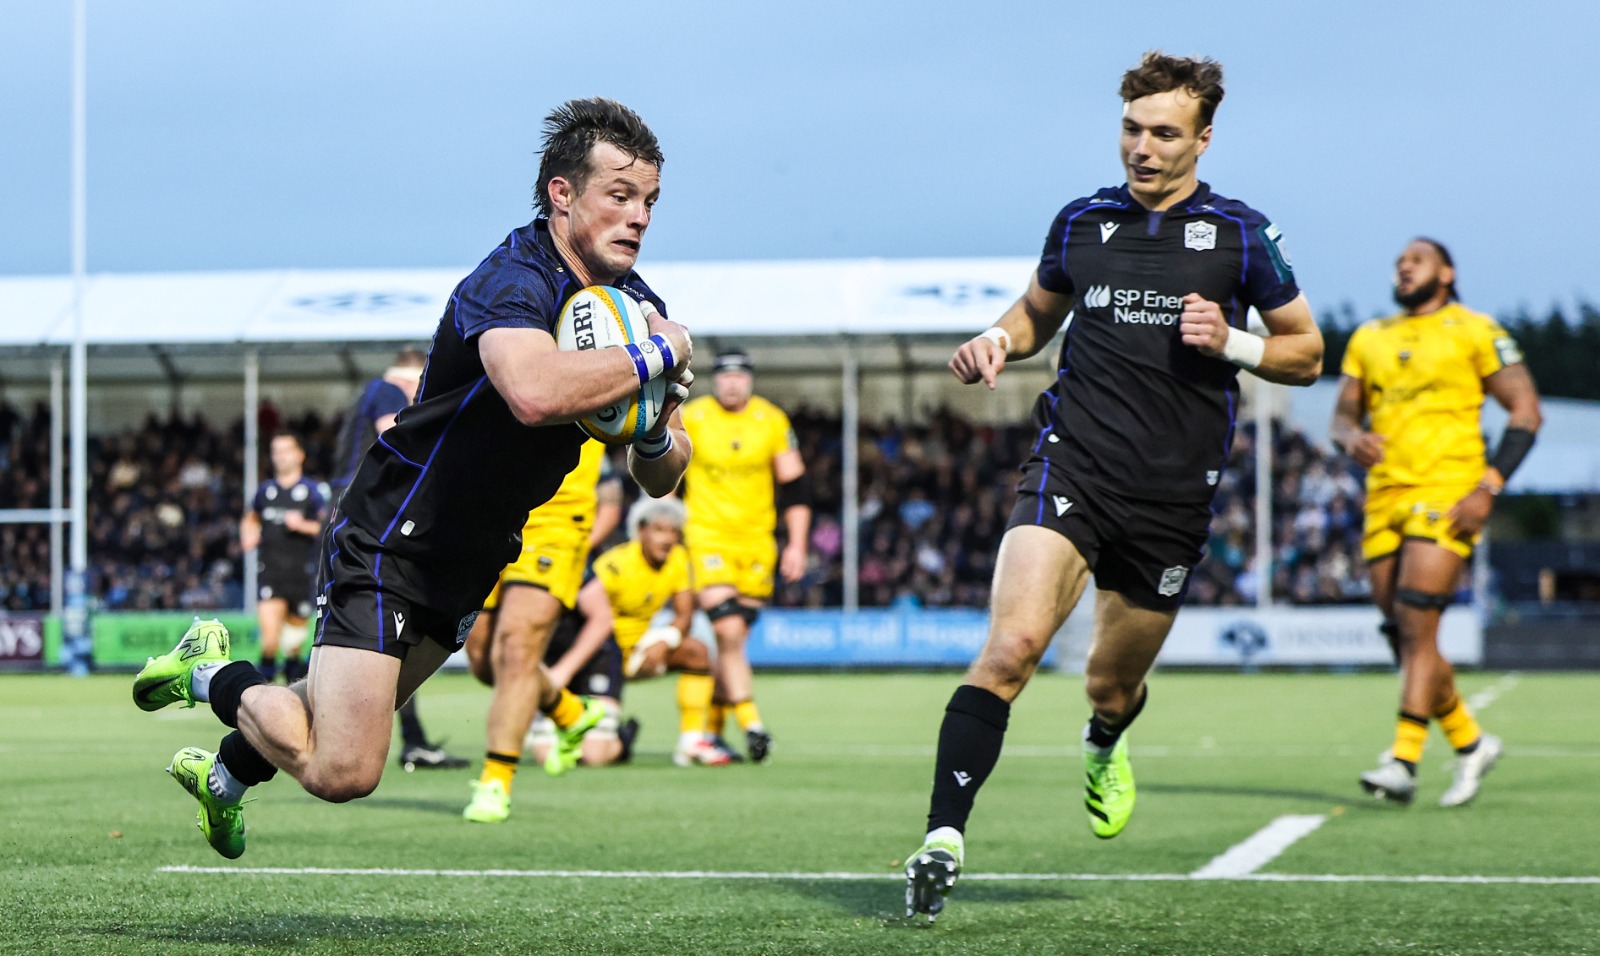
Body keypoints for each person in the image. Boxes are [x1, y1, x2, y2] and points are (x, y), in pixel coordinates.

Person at [132, 96, 694, 859]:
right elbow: (532, 393)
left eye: (650, 201)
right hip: (395, 532)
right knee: (345, 768)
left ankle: (224, 777)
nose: (639, 217)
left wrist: (653, 427)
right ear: (562, 193)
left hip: (475, 552)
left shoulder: (636, 305)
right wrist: (655, 356)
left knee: (328, 711)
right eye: (620, 195)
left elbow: (661, 475)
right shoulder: (514, 278)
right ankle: (211, 673)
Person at [903, 51, 1324, 922]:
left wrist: (1235, 343)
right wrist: (997, 339)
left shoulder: (1243, 234)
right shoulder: (1082, 221)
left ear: (1203, 140)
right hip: (1073, 465)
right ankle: (942, 838)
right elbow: (1036, 313)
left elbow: (1307, 354)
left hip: (1171, 495)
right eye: (1132, 129)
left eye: (1164, 133)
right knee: (1013, 647)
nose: (1142, 147)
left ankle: (1104, 741)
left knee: (1110, 684)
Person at [1332, 237, 1540, 807]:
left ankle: (1404, 760)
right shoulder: (1370, 336)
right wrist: (1350, 439)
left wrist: (1488, 487)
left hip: (1449, 491)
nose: (1404, 267)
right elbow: (1342, 415)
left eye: (1416, 260)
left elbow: (1526, 411)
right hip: (1384, 495)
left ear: (1446, 273)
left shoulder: (1476, 330)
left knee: (1416, 622)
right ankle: (1471, 743)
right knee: (1402, 631)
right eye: (1399, 261)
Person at [459, 439, 624, 823]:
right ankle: (569, 711)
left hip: (557, 519)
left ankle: (495, 781)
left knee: (515, 650)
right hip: (488, 511)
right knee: (484, 662)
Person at [329, 347, 467, 771]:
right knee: (386, 638)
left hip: (356, 519)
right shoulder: (388, 391)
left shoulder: (369, 394)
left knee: (388, 638)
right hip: (366, 526)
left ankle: (412, 739)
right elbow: (397, 435)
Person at [527, 494, 729, 769]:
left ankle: (691, 741)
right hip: (598, 653)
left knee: (697, 652)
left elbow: (684, 616)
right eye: (659, 530)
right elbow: (583, 616)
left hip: (637, 653)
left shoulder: (679, 559)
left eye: (673, 532)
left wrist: (664, 641)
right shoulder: (615, 564)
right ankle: (602, 730)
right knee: (546, 755)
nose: (667, 539)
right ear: (640, 531)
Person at [679, 348, 811, 763]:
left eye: (739, 376)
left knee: (733, 643)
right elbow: (665, 472)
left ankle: (712, 733)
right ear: (714, 380)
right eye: (725, 375)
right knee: (728, 630)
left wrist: (797, 544)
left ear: (750, 380)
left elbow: (795, 487)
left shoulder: (771, 420)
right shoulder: (693, 416)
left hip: (756, 544)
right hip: (707, 537)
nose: (732, 383)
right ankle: (752, 724)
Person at [239, 432, 327, 684]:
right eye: (276, 451)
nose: (280, 456)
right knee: (269, 643)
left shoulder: (311, 491)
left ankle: (291, 698)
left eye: (286, 450)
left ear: (300, 455)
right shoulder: (265, 491)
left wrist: (303, 525)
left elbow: (326, 527)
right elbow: (250, 518)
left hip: (301, 575)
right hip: (271, 572)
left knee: (293, 648)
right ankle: (260, 697)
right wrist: (249, 534)